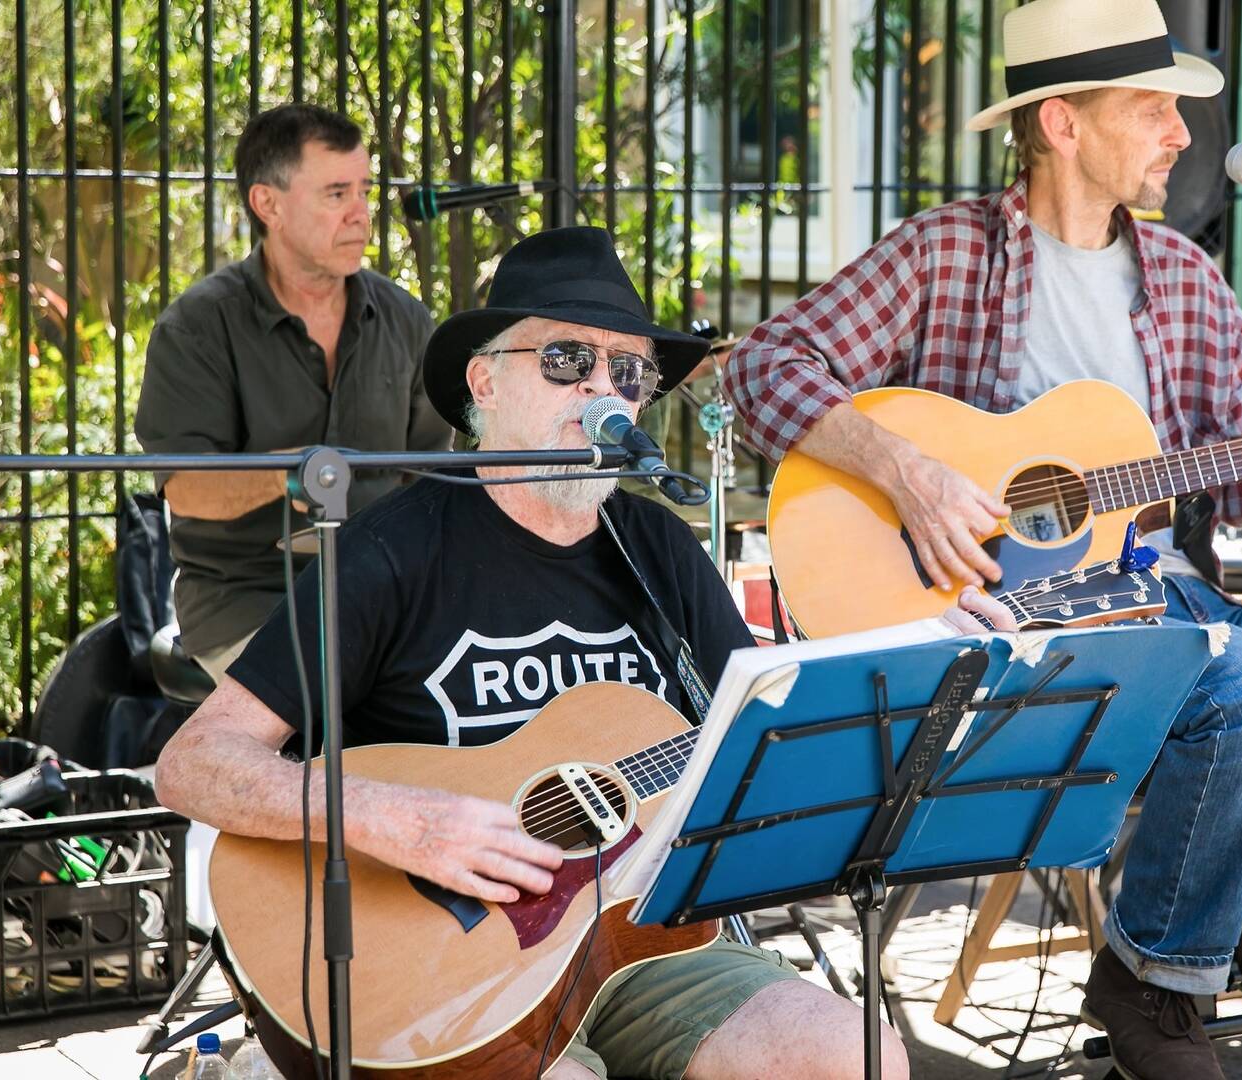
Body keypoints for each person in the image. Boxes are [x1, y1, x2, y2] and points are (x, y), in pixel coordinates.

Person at [721, 0, 1242, 1075]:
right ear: (1061, 122)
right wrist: (905, 473)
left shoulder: (1185, 279)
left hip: (1177, 605)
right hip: (1010, 628)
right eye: (1154, 109)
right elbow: (763, 369)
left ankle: (1232, 918)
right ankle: (1158, 1000)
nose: (1181, 135)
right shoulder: (943, 254)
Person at [154, 226, 912, 1080]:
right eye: (566, 361)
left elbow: (764, 727)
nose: (602, 391)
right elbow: (192, 765)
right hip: (445, 971)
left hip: (636, 939)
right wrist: (398, 819)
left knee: (860, 1055)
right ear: (485, 381)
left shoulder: (653, 547)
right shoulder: (388, 554)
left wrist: (918, 655)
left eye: (626, 373)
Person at [135, 104, 452, 683]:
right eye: (336, 194)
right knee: (341, 706)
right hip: (248, 600)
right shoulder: (198, 326)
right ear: (268, 205)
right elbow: (187, 489)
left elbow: (429, 477)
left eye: (364, 191)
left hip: (386, 592)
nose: (362, 215)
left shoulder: (405, 319)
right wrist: (292, 473)